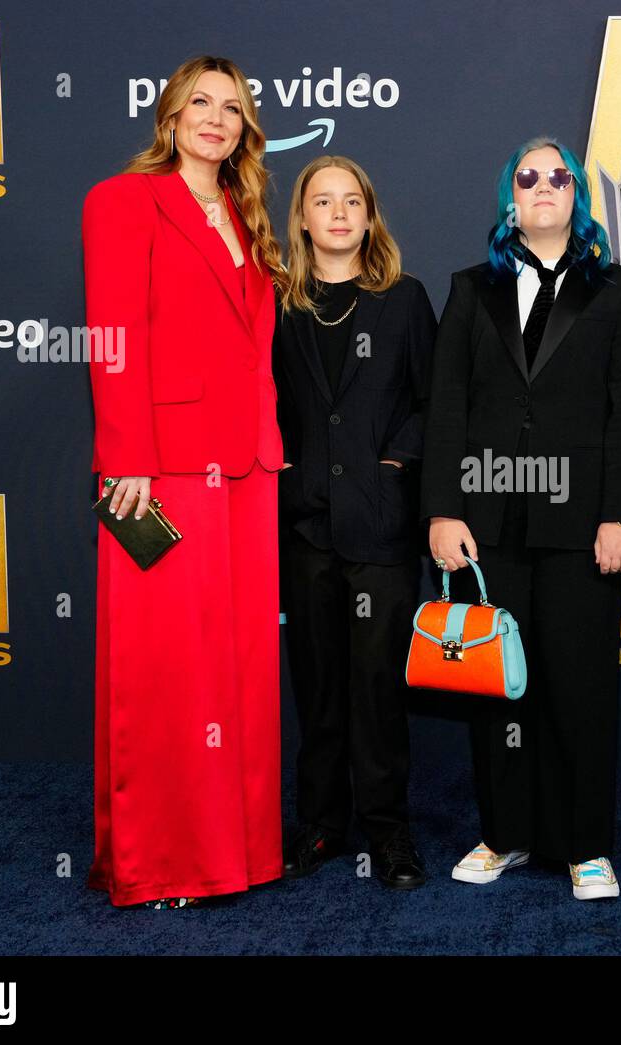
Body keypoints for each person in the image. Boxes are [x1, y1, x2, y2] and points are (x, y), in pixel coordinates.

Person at [421, 136, 621, 900]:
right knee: (499, 687)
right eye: (529, 176)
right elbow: (445, 408)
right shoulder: (468, 288)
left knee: (581, 685)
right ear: (509, 199)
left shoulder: (618, 290)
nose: (544, 185)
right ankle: (505, 833)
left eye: (560, 176)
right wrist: (443, 511)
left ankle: (586, 845)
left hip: (584, 523)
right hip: (489, 523)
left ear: (576, 197)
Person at [83, 55, 288, 909]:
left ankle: (237, 852)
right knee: (168, 668)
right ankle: (165, 859)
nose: (216, 118)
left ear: (244, 128)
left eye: (231, 108)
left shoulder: (244, 210)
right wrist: (125, 450)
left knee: (237, 670)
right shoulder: (122, 200)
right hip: (161, 466)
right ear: (169, 116)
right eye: (200, 103)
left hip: (246, 465)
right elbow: (112, 328)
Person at [272, 155, 436, 889]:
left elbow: (434, 403)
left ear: (369, 216)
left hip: (381, 531)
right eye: (321, 201)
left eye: (351, 202)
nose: (337, 213)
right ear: (302, 218)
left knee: (377, 689)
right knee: (318, 687)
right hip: (304, 527)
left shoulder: (405, 301)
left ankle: (390, 831)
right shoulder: (279, 304)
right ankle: (320, 825)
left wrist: (395, 464)